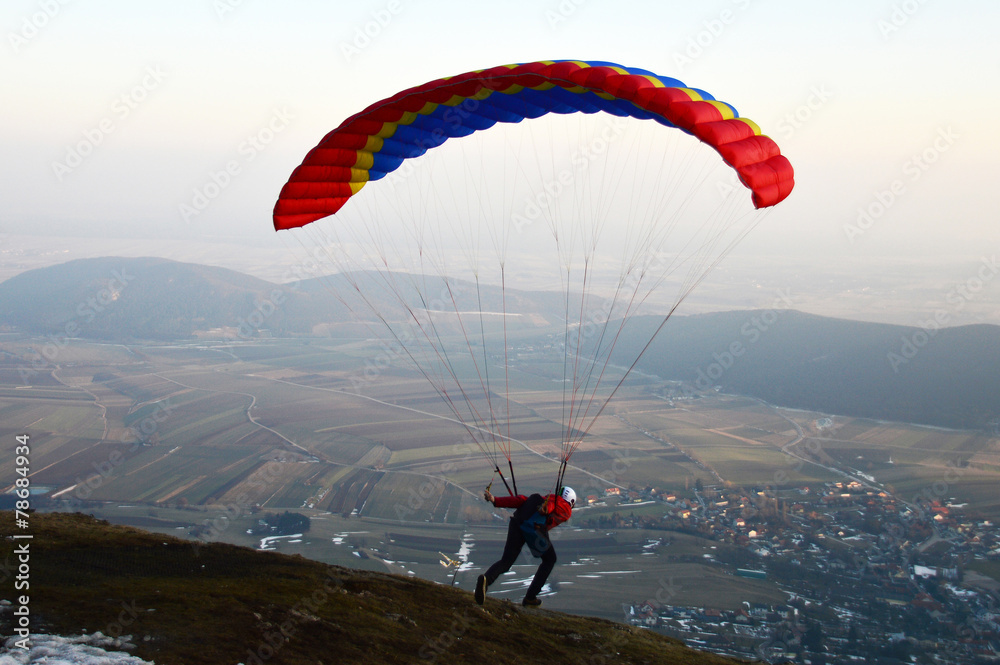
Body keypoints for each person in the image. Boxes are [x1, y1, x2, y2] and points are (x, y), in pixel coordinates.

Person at [475, 485, 576, 607]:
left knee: (506, 561)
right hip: (533, 530)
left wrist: (495, 500)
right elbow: (555, 505)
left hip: (517, 524)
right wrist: (547, 509)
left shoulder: (544, 499)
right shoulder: (561, 505)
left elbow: (520, 500)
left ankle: (485, 580)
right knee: (550, 560)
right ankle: (530, 598)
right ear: (570, 501)